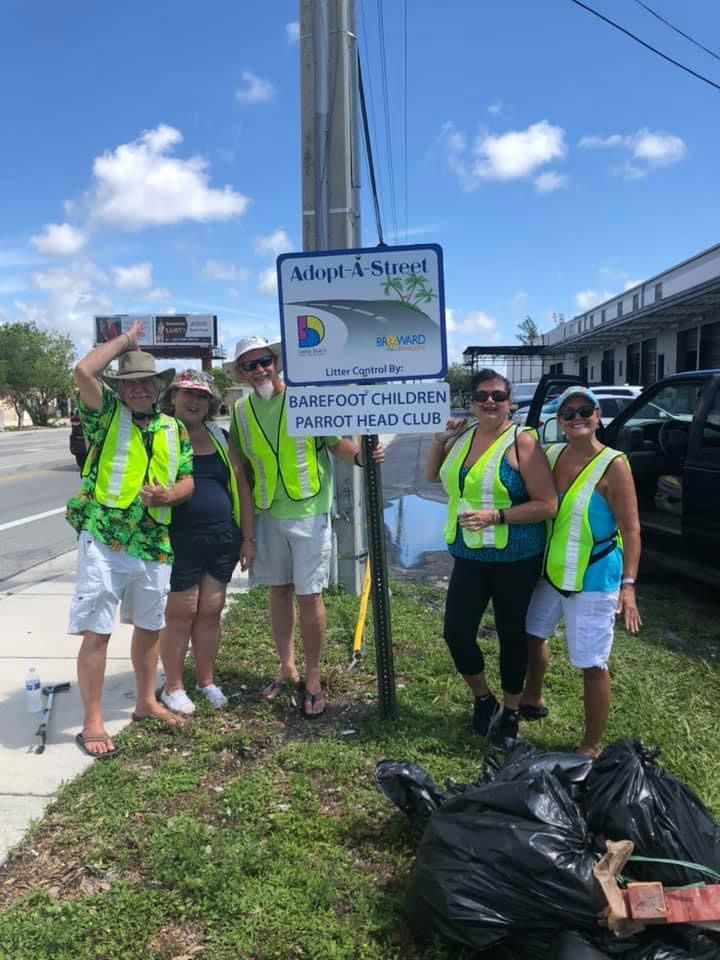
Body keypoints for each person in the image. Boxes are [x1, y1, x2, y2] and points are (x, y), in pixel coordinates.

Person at [228, 335, 384, 718]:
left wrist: (363, 456)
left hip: (308, 511)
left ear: (276, 362)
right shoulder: (241, 412)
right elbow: (240, 472)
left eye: (264, 361)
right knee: (278, 592)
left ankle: (312, 678)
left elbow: (336, 445)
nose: (259, 370)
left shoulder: (305, 399)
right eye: (249, 365)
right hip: (267, 513)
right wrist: (246, 535)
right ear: (241, 373)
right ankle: (287, 666)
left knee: (309, 595)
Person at [66, 320, 194, 757]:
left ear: (159, 387)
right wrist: (124, 341)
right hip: (106, 537)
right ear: (120, 387)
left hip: (154, 541)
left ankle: (145, 702)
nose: (139, 389)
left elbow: (187, 481)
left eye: (146, 382)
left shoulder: (174, 429)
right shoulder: (103, 414)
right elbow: (84, 371)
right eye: (131, 382)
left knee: (150, 625)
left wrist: (170, 494)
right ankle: (93, 721)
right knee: (98, 631)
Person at [424, 368, 557, 751]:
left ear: (509, 403)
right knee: (456, 632)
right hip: (469, 553)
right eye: (482, 395)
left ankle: (512, 712)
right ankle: (484, 699)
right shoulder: (464, 436)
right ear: (471, 402)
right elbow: (433, 475)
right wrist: (439, 441)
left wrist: (496, 516)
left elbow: (547, 505)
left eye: (498, 396)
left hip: (515, 556)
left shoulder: (522, 443)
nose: (489, 402)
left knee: (511, 633)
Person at [520, 386, 642, 759]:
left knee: (591, 662)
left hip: (593, 579)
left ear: (598, 415)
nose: (577, 418)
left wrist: (629, 585)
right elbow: (516, 442)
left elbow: (632, 529)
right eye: (568, 413)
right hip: (553, 572)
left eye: (584, 411)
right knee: (532, 632)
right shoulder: (553, 454)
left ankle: (590, 744)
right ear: (559, 421)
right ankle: (532, 697)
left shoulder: (613, 465)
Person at [158, 370, 255, 714]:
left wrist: (247, 537)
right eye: (187, 394)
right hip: (178, 538)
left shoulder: (219, 434)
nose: (194, 401)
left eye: (201, 396)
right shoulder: (160, 433)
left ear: (211, 403)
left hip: (221, 538)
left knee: (211, 611)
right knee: (181, 613)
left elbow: (242, 484)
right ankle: (172, 687)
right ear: (172, 398)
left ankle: (206, 681)